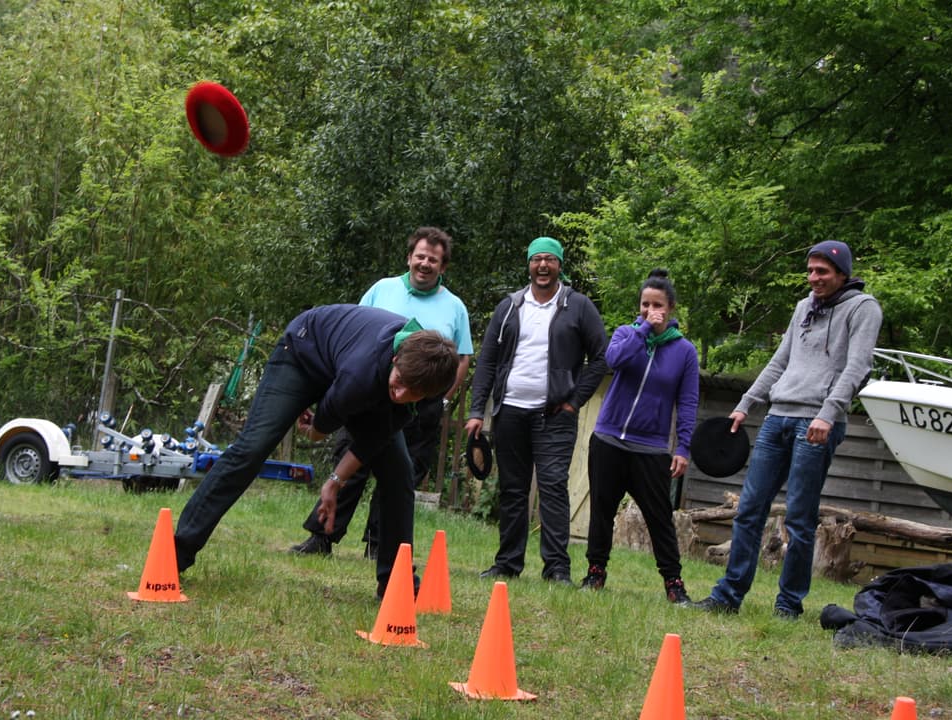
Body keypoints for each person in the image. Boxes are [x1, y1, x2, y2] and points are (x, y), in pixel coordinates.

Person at [173, 304, 459, 598]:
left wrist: (334, 482)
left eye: (412, 393)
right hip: (302, 352)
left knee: (399, 475)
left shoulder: (422, 381)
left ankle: (395, 587)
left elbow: (374, 440)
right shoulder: (363, 371)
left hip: (351, 369)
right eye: (399, 383)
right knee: (252, 449)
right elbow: (323, 425)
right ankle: (174, 556)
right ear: (396, 358)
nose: (400, 395)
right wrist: (313, 427)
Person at [690, 240, 882, 618]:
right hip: (778, 416)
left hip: (817, 421)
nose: (814, 278)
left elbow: (857, 367)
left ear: (842, 273)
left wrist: (828, 414)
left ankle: (789, 605)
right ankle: (728, 595)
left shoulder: (863, 308)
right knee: (749, 509)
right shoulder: (803, 308)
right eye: (810, 271)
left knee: (798, 517)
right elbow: (779, 362)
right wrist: (746, 404)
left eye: (822, 272)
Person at [290, 227, 473, 558]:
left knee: (400, 473)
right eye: (420, 256)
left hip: (422, 405)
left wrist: (443, 398)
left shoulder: (455, 307)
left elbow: (463, 357)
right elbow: (355, 335)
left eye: (433, 259)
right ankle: (321, 536)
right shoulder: (382, 289)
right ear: (409, 258)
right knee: (350, 458)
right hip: (371, 393)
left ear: (443, 267)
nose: (425, 264)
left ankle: (379, 544)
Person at [464, 236, 607, 584]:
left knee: (553, 486)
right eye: (536, 259)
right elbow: (487, 361)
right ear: (528, 265)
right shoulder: (510, 307)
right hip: (509, 411)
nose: (542, 265)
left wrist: (574, 402)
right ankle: (508, 564)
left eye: (550, 260)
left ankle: (557, 568)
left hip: (555, 415)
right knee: (512, 489)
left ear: (559, 265)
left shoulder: (578, 306)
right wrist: (476, 410)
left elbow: (601, 358)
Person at [580, 269, 699, 604]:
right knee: (602, 510)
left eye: (657, 305)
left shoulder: (684, 352)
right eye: (645, 304)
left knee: (659, 516)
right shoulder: (625, 334)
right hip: (608, 440)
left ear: (671, 308)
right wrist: (644, 329)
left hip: (650, 447)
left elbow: (687, 402)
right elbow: (614, 361)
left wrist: (684, 446)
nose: (650, 310)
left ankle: (674, 585)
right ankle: (595, 573)